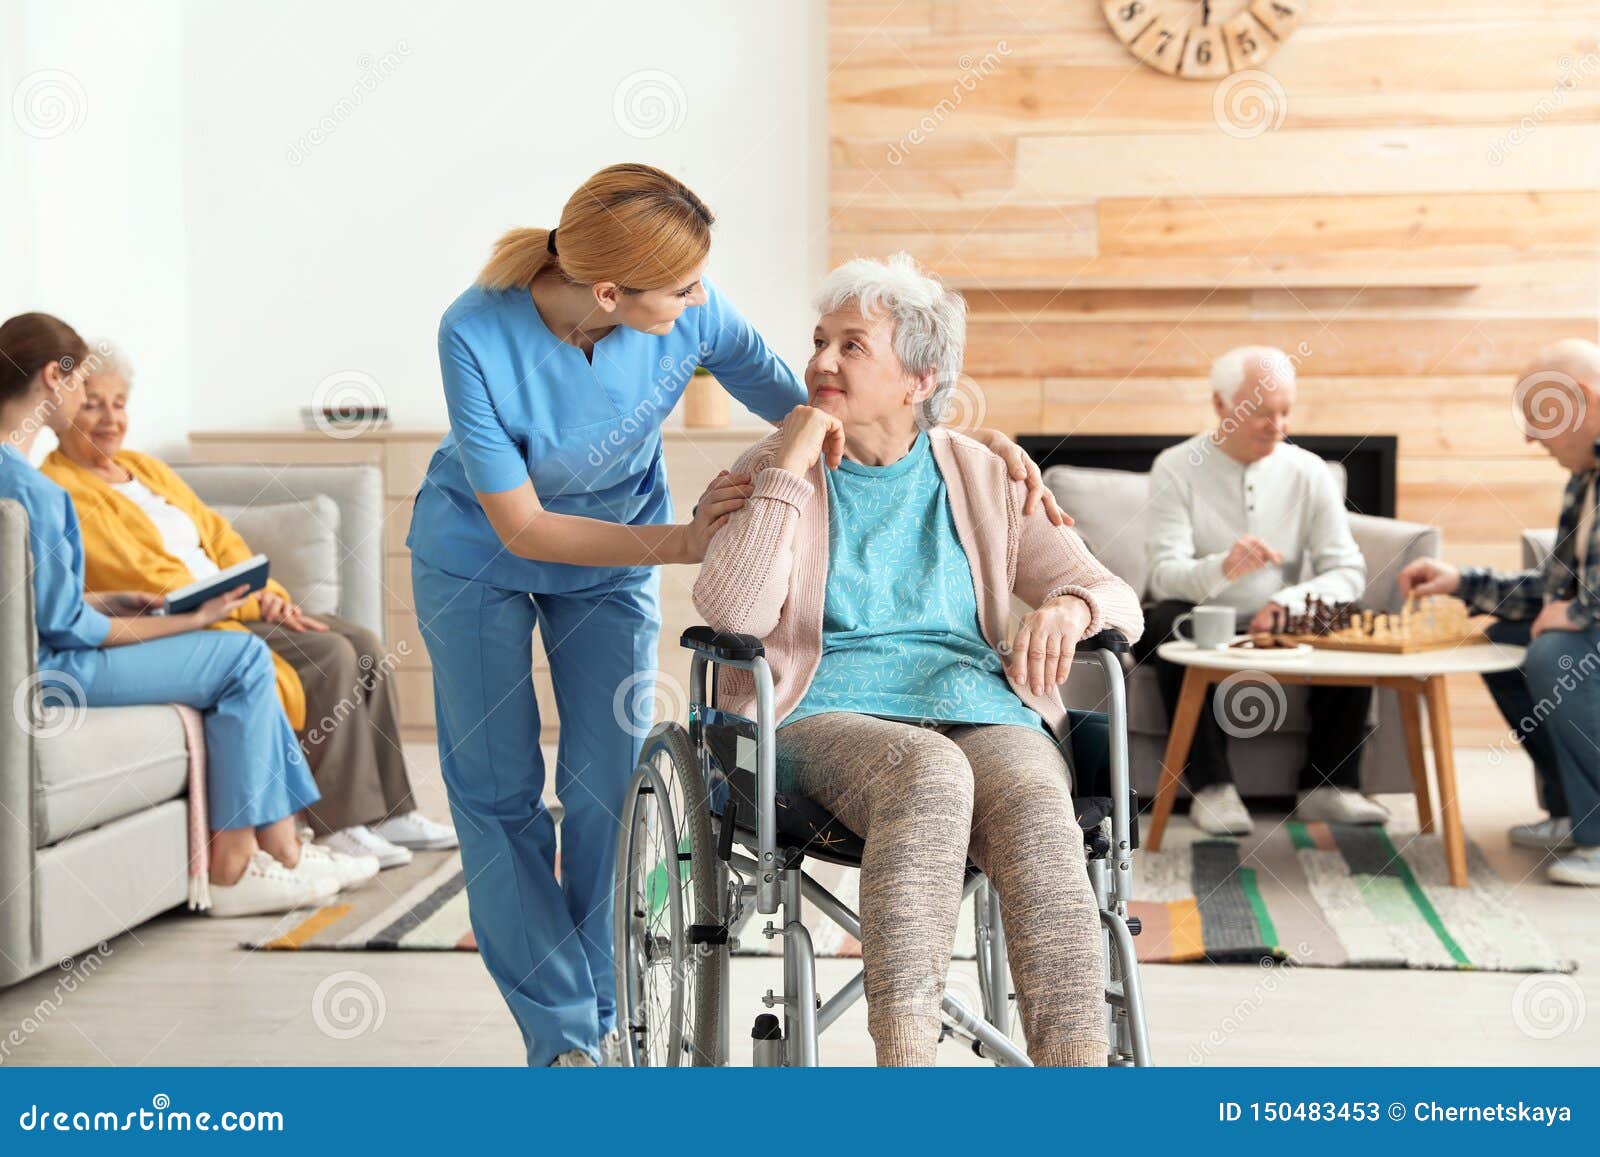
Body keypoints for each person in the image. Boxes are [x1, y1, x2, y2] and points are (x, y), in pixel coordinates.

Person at [407, 164, 1066, 1067]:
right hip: (480, 555)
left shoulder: (695, 311)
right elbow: (520, 524)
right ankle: (561, 1035)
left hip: (615, 557)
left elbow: (824, 407)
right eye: (682, 289)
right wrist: (684, 542)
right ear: (610, 293)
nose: (700, 300)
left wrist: (961, 442)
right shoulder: (474, 330)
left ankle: (606, 1004)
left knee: (605, 784)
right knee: (497, 792)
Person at [693, 253, 1145, 1066]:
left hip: (983, 709)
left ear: (919, 379)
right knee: (928, 770)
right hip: (820, 715)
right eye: (820, 340)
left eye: (852, 346)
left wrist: (1069, 608)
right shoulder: (774, 468)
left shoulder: (983, 472)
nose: (822, 361)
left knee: (1036, 804)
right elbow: (733, 611)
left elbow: (1115, 595)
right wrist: (787, 466)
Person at [0, 312, 374, 916]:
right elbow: (70, 632)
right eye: (81, 386)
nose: (88, 400)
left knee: (248, 654)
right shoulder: (40, 492)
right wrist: (191, 622)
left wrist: (108, 598)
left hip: (36, 655)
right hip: (52, 670)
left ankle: (283, 852)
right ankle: (237, 867)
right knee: (242, 658)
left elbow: (33, 602)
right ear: (52, 377)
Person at [40, 348, 455, 869]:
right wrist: (239, 603)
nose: (109, 418)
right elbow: (140, 577)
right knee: (330, 653)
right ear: (64, 409)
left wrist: (267, 593)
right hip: (192, 620)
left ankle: (392, 812)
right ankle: (338, 824)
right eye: (92, 404)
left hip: (235, 601)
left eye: (118, 404)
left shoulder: (144, 469)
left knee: (364, 643)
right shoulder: (60, 487)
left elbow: (219, 537)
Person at [1133, 346, 1385, 836]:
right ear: (1220, 405)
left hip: (1279, 624)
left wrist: (1285, 604)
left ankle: (1328, 786)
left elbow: (1346, 569)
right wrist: (1222, 568)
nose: (1279, 426)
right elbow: (1163, 574)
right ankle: (1213, 788)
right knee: (1165, 618)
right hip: (1200, 618)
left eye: (1286, 412)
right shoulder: (1176, 466)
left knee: (1351, 614)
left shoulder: (1309, 471)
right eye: (1263, 413)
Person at [1400, 338, 1600, 886]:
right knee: (1506, 643)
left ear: (1581, 398)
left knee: (1556, 654)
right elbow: (1552, 590)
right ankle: (1573, 812)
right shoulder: (1585, 479)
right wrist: (1461, 583)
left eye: (1540, 418)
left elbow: (1577, 605)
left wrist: (1581, 614)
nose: (1530, 437)